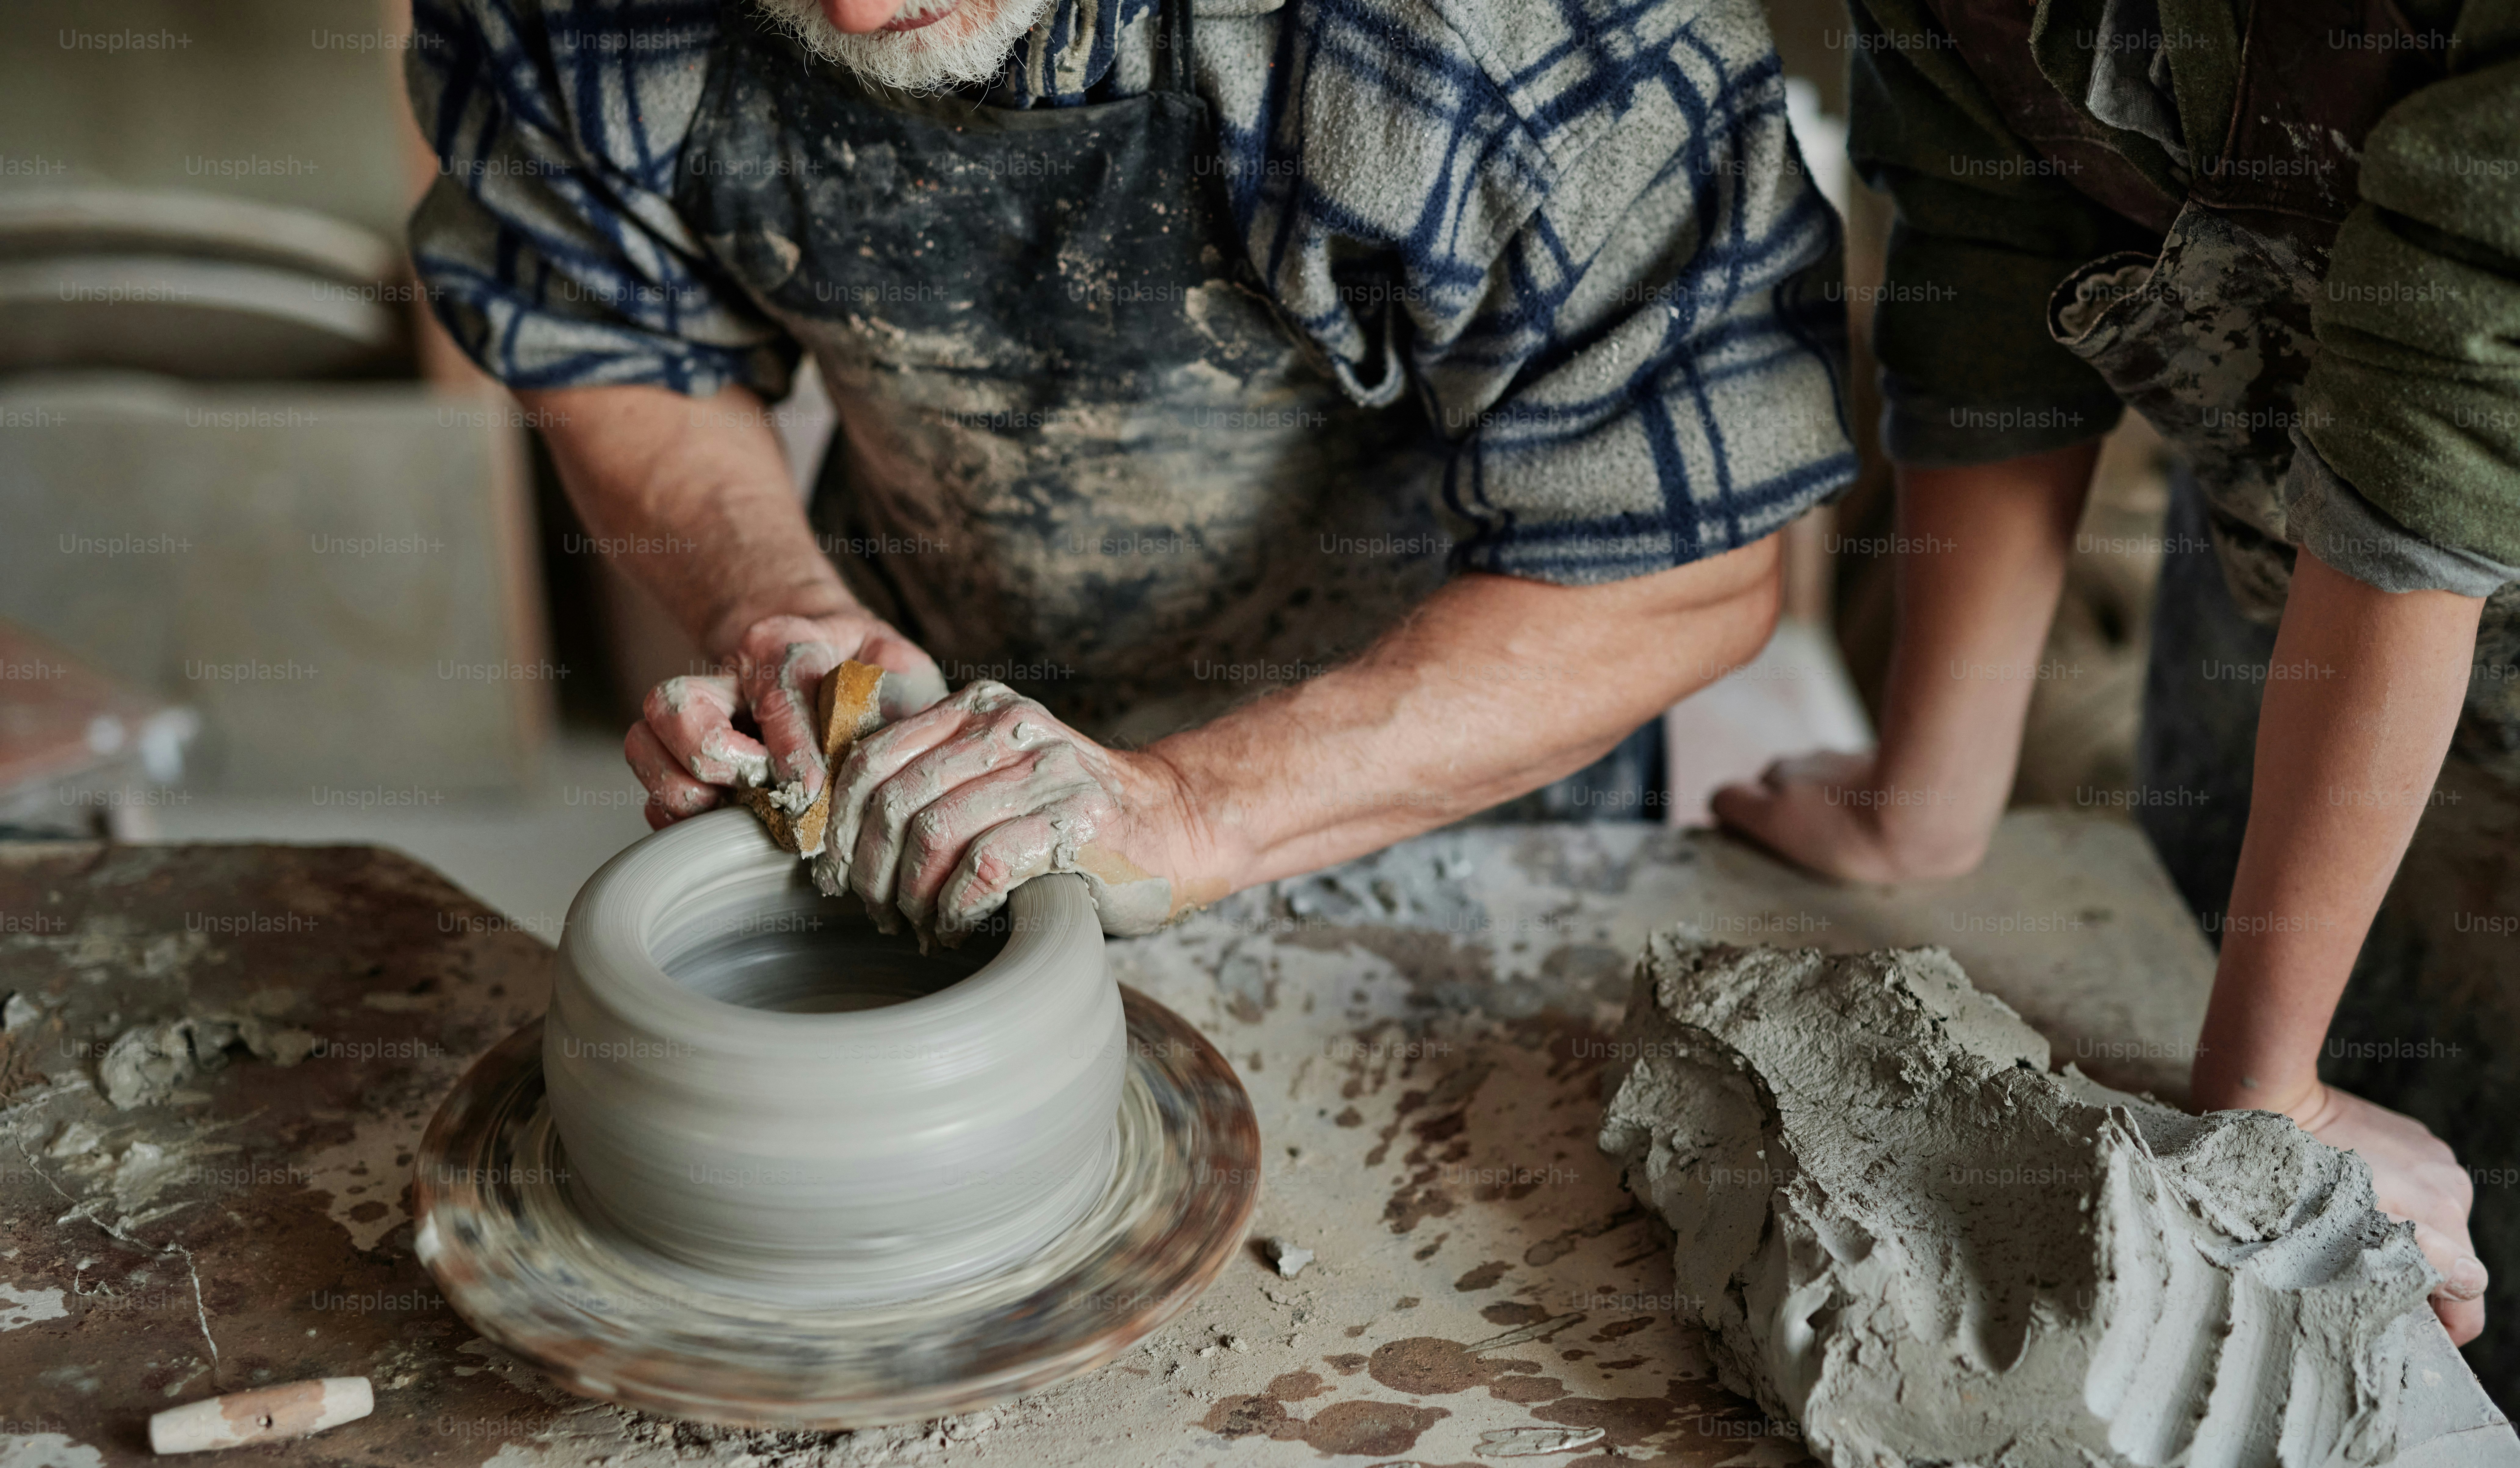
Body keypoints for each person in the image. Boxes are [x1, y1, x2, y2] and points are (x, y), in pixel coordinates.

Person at [405, 0, 1856, 943]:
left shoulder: (1527, 33)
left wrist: (1189, 809)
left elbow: (1680, 571)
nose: (859, 8)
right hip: (936, 713)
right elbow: (609, 325)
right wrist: (784, 611)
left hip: (1434, 792)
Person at [1712, 0, 2515, 1344]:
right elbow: (1988, 243)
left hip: (2450, 554)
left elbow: (2454, 395)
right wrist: (1930, 783)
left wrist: (2276, 1098)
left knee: (2444, 1323)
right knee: (2195, 1147)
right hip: (2299, 605)